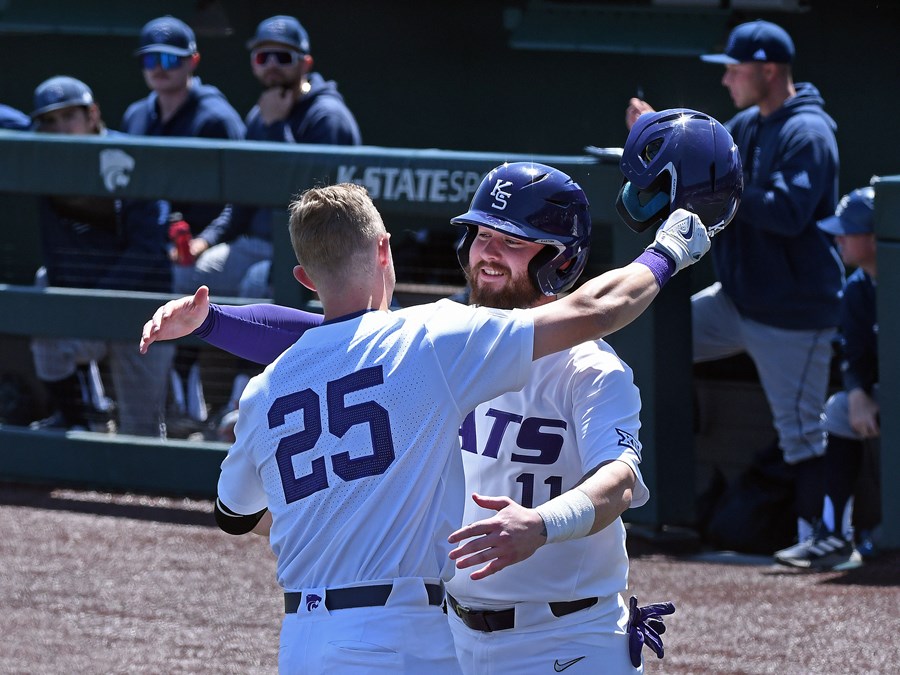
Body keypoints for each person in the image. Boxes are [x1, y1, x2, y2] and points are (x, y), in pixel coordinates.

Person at [140, 111, 740, 673]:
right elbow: (334, 335)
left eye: (514, 240)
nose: (488, 252)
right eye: (482, 234)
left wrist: (542, 523)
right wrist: (213, 321)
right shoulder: (437, 340)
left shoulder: (588, 366)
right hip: (452, 642)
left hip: (569, 640)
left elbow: (620, 484)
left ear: (562, 259)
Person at [626, 20, 843, 559]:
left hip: (792, 313)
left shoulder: (809, 132)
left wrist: (722, 193)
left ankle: (824, 538)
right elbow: (698, 152)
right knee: (653, 343)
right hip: (737, 298)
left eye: (734, 68)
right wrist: (657, 131)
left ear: (768, 70)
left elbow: (790, 214)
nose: (725, 79)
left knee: (802, 433)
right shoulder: (747, 124)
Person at [197, 14, 364, 430]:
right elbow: (243, 197)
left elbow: (320, 203)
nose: (271, 65)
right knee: (197, 271)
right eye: (261, 57)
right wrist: (207, 238)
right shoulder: (260, 113)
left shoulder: (327, 116)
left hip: (310, 246)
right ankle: (189, 400)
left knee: (257, 280)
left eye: (282, 56)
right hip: (256, 238)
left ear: (304, 63)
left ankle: (251, 401)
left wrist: (275, 127)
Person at [28, 76, 173, 436]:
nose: (59, 128)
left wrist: (96, 301)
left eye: (68, 117)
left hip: (141, 307)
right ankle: (75, 415)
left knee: (141, 434)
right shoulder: (42, 156)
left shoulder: (133, 158)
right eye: (49, 121)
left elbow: (148, 251)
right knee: (40, 299)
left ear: (93, 115)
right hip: (81, 299)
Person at [121, 15, 247, 427]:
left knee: (182, 279)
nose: (159, 67)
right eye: (151, 58)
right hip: (149, 240)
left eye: (170, 59)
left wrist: (204, 241)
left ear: (193, 60)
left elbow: (241, 198)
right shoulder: (136, 116)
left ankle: (188, 400)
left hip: (207, 245)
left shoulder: (217, 117)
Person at [776, 185, 879, 571]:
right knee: (838, 409)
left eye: (848, 231)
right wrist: (856, 393)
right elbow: (854, 352)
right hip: (888, 396)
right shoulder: (857, 289)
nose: (839, 238)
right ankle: (834, 535)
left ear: (873, 236)